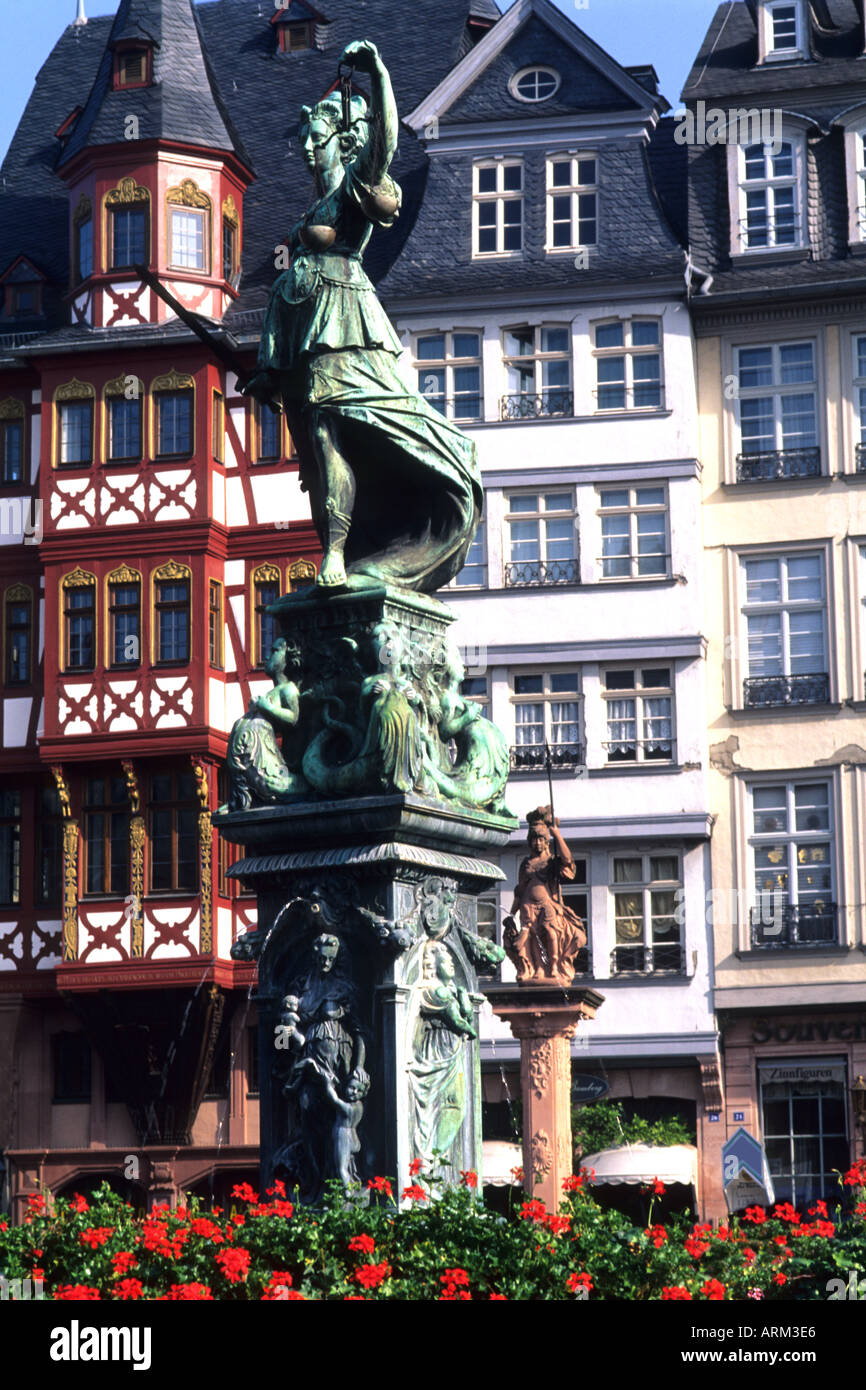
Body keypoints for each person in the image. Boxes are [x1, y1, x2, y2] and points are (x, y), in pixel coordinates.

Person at [244, 39, 481, 594]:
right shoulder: (311, 209)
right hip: (307, 338)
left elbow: (386, 144)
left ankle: (334, 553)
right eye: (304, 136)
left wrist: (377, 73)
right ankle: (345, 550)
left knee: (332, 430)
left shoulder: (352, 191)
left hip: (348, 326)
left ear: (342, 141)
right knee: (321, 442)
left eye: (317, 136)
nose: (307, 147)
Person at [503, 807, 587, 984]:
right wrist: (511, 914)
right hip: (527, 905)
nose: (537, 843)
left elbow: (567, 860)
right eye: (534, 840)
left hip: (547, 903)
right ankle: (540, 968)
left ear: (546, 842)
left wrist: (556, 834)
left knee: (551, 931)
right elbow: (520, 891)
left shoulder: (551, 861)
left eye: (541, 839)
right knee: (532, 936)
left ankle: (554, 966)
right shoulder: (526, 864)